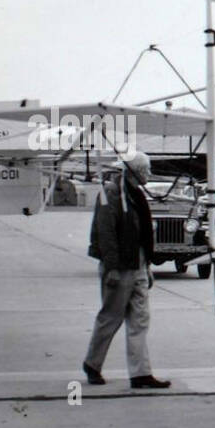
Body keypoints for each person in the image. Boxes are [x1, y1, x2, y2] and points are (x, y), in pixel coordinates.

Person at [81, 152, 171, 388]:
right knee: (111, 318)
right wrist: (111, 268)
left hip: (138, 266)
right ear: (135, 172)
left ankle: (141, 374)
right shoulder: (109, 194)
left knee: (140, 320)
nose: (149, 174)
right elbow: (106, 233)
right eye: (147, 170)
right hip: (119, 268)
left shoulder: (135, 195)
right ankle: (92, 363)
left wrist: (147, 266)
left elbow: (141, 235)